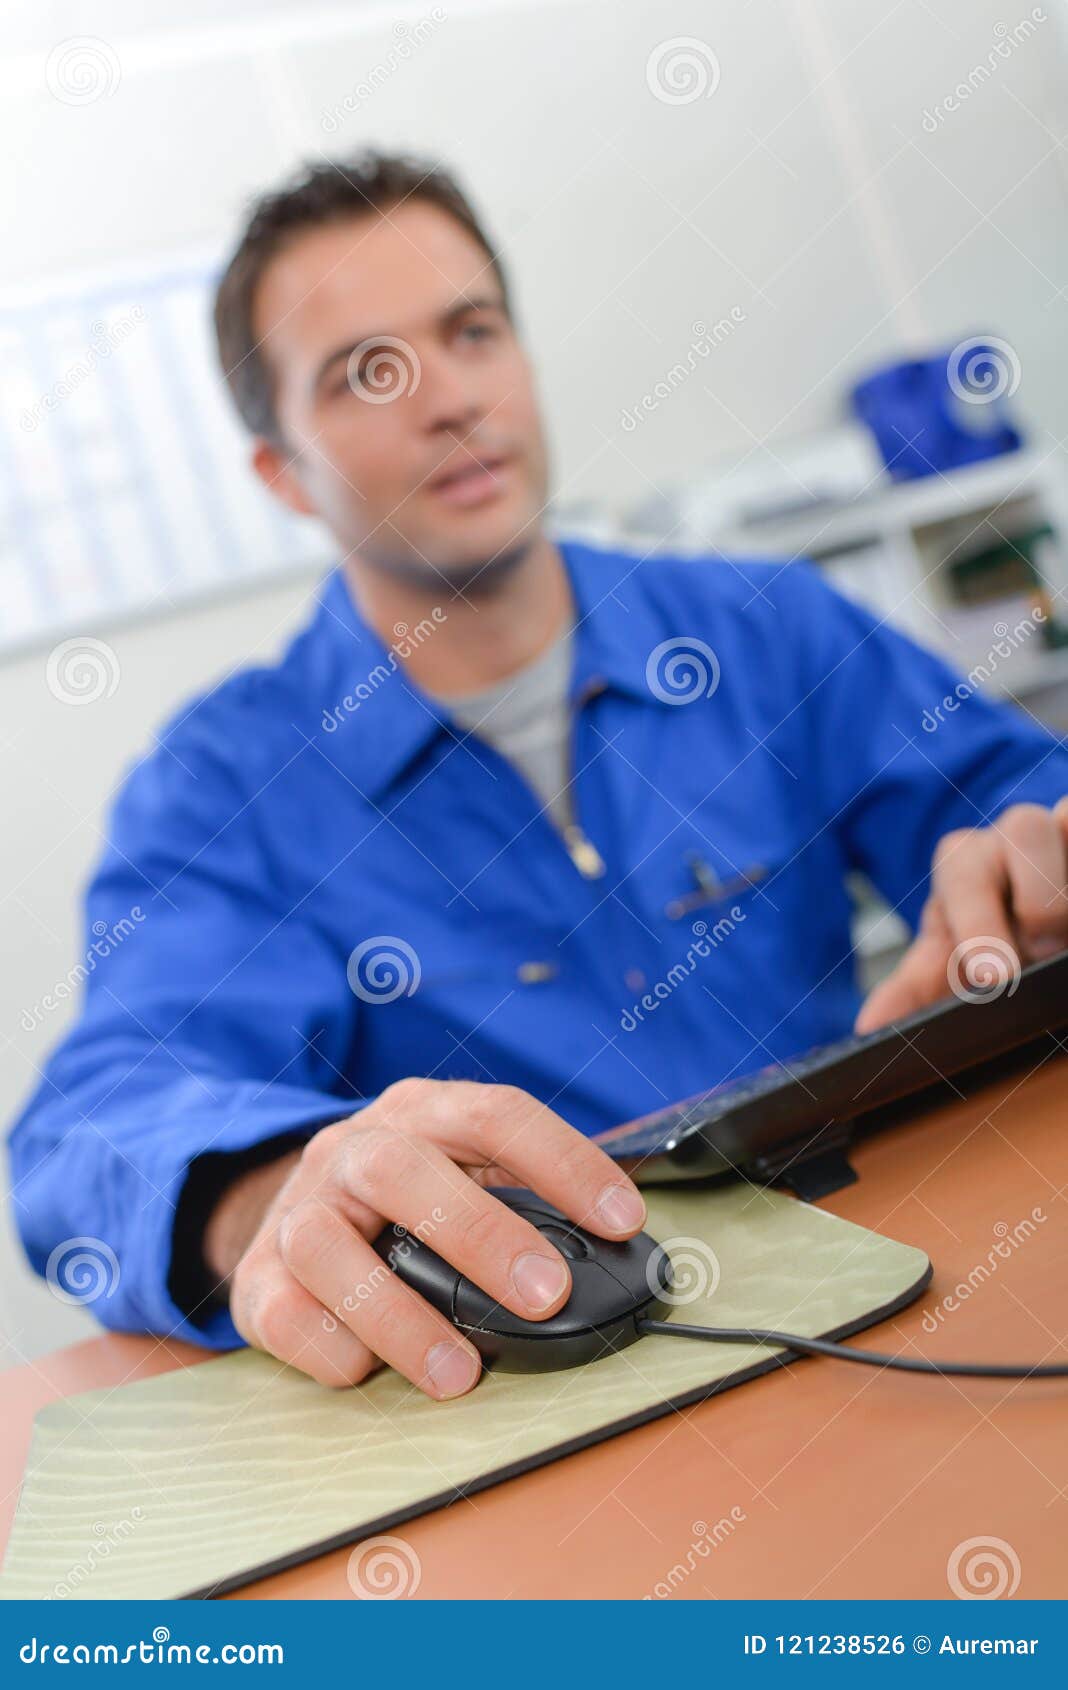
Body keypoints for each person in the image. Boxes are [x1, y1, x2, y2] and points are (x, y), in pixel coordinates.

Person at [9, 152, 1068, 1403]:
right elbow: (96, 1119)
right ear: (282, 474)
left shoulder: (766, 630)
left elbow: (1015, 803)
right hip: (540, 1382)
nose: (451, 398)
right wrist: (270, 1194)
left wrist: (1032, 861)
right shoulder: (228, 783)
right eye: (366, 373)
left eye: (472, 332)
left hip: (896, 1282)